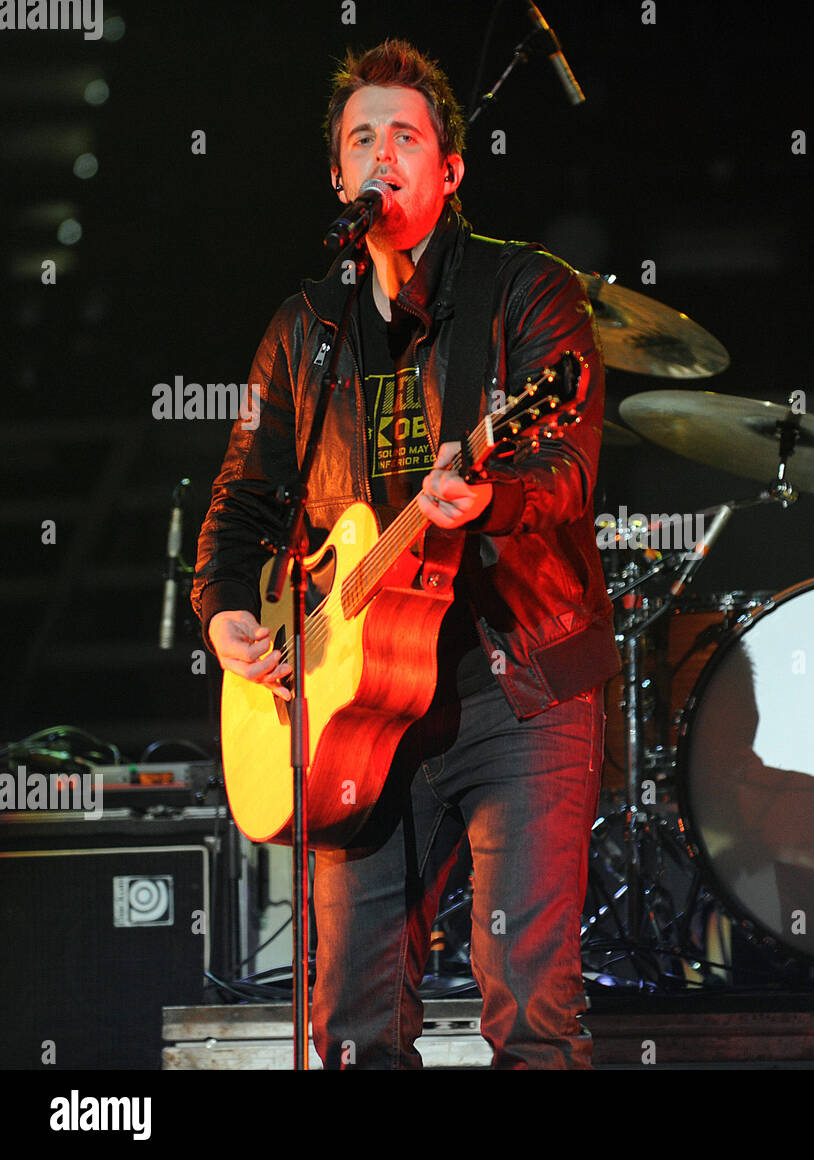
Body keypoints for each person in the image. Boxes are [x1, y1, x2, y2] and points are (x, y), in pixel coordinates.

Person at [191, 39, 619, 1069]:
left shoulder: (528, 294)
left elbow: (567, 467)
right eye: (361, 138)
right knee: (350, 1027)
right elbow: (238, 508)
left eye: (407, 136)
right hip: (352, 713)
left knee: (529, 1011)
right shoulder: (304, 331)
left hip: (516, 684)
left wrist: (487, 491)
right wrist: (225, 616)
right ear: (337, 176)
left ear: (449, 170)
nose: (383, 153)